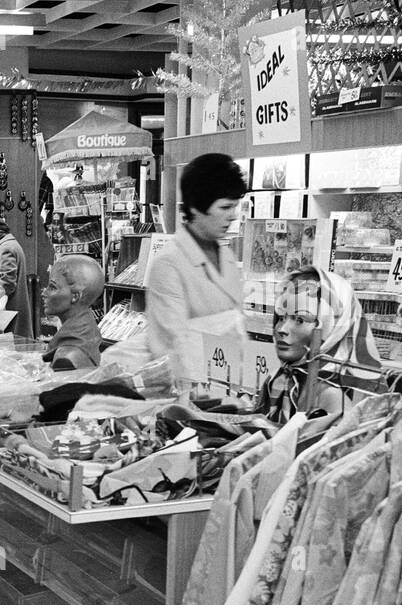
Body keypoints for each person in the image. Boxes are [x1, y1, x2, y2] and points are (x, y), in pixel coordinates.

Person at [143, 152, 248, 383]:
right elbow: (170, 347)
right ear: (197, 207)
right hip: (190, 395)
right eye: (225, 207)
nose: (232, 216)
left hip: (229, 384)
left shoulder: (227, 257)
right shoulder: (169, 264)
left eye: (235, 206)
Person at [256, 266, 382, 423]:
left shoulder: (332, 399)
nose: (282, 329)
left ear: (332, 328)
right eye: (281, 317)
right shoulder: (279, 380)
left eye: (300, 320)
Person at [40, 255, 105, 369]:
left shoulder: (68, 356)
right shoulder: (86, 331)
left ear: (75, 296)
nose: (44, 293)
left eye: (52, 287)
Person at [0, 215, 32, 336]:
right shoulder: (7, 245)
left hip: (6, 315)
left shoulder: (6, 248)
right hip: (6, 314)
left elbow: (7, 282)